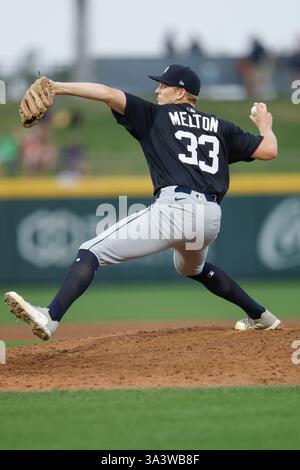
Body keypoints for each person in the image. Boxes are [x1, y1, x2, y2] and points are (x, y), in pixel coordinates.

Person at [4, 64, 281, 340]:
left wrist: (58, 87)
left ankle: (50, 317)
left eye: (164, 85)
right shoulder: (220, 127)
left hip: (176, 208)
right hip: (210, 217)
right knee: (190, 267)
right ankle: (261, 316)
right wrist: (265, 127)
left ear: (180, 93)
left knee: (90, 251)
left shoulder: (155, 115)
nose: (157, 90)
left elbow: (107, 93)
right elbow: (269, 150)